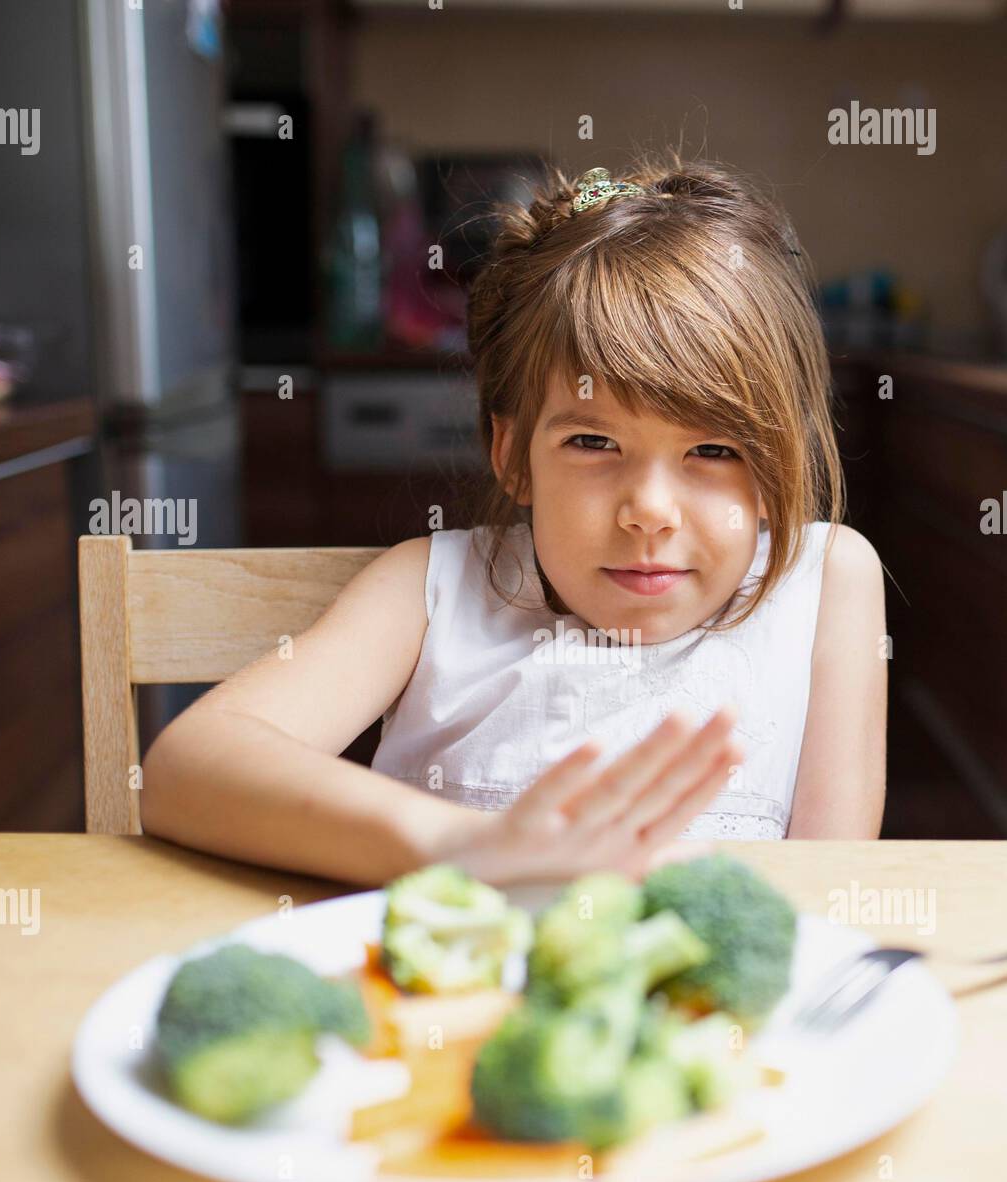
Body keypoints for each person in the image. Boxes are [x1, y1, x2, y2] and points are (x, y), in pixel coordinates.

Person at [141, 156, 887, 886]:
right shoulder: (430, 590)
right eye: (593, 442)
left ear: (777, 465)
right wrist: (472, 847)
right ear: (513, 454)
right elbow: (184, 768)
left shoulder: (823, 586)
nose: (650, 512)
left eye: (713, 449)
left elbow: (832, 894)